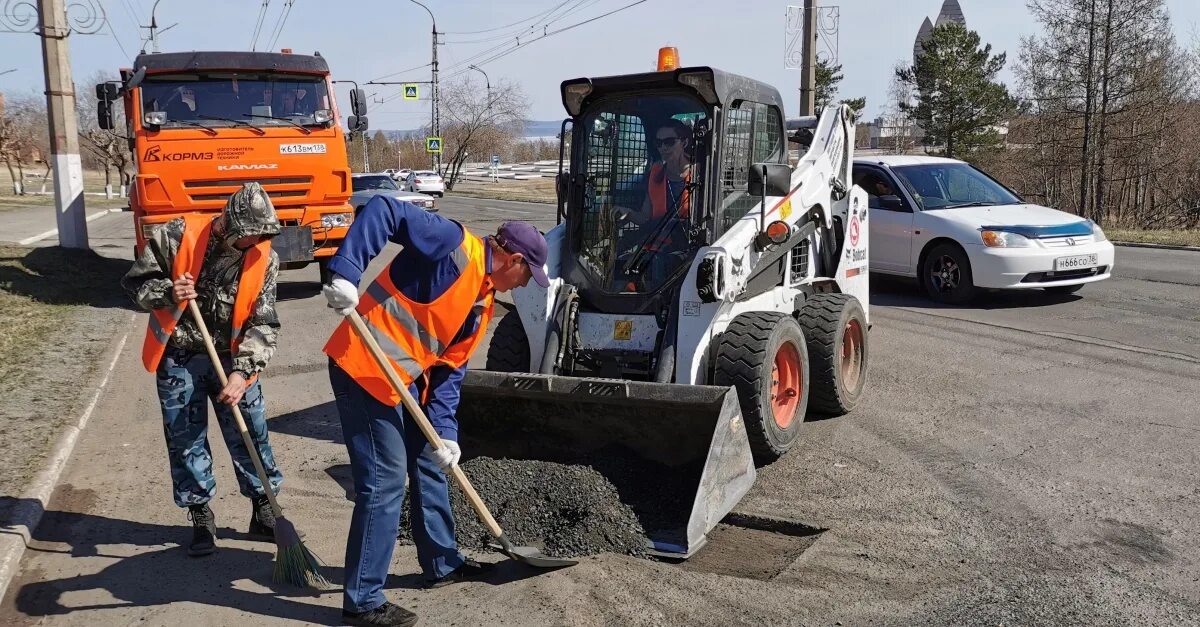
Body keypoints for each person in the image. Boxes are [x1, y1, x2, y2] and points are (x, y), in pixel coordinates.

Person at [320, 196, 549, 627]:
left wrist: (446, 432)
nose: (525, 284)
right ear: (513, 259)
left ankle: (443, 561)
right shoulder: (451, 243)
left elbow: (449, 372)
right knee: (385, 481)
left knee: (429, 458)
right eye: (526, 274)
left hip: (400, 379)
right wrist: (346, 272)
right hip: (362, 367)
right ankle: (363, 600)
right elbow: (384, 209)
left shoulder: (482, 301)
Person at [121, 183, 284, 557]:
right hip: (180, 355)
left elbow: (264, 322)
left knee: (252, 434)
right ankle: (200, 515)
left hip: (233, 358)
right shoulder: (178, 235)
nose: (256, 241)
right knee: (185, 438)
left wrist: (243, 373)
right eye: (249, 234)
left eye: (262, 234)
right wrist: (168, 291)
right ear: (228, 224)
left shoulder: (265, 258)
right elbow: (134, 283)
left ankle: (264, 509)